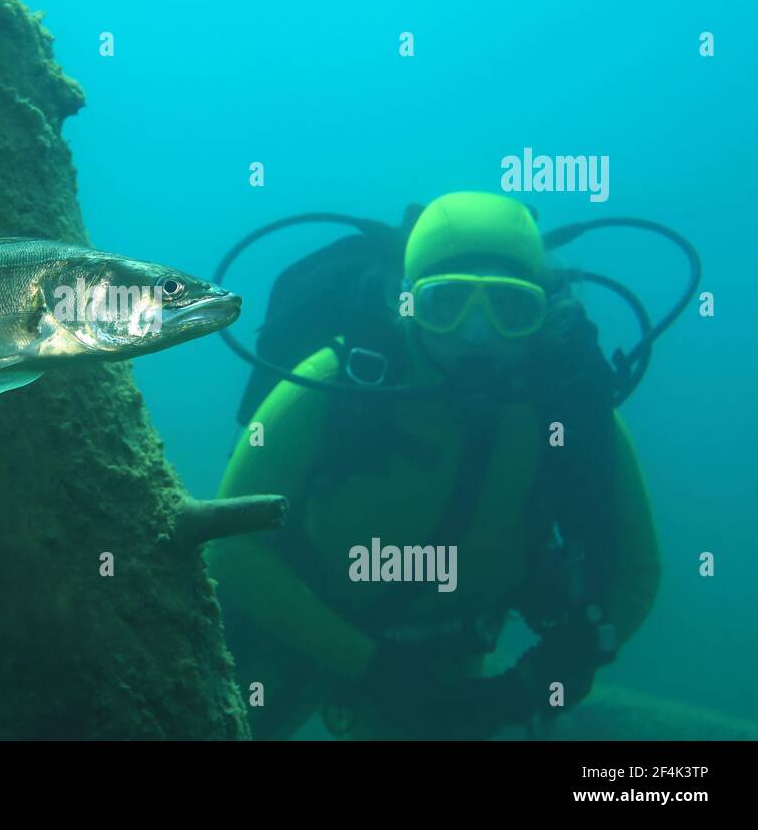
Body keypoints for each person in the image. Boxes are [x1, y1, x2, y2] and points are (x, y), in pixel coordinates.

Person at [208, 191, 662, 739]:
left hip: (444, 671)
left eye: (510, 308)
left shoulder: (570, 411)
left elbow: (635, 571)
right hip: (290, 630)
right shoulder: (336, 381)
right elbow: (231, 541)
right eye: (445, 304)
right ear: (406, 303)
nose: (476, 334)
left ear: (544, 313)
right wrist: (370, 665)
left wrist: (550, 672)